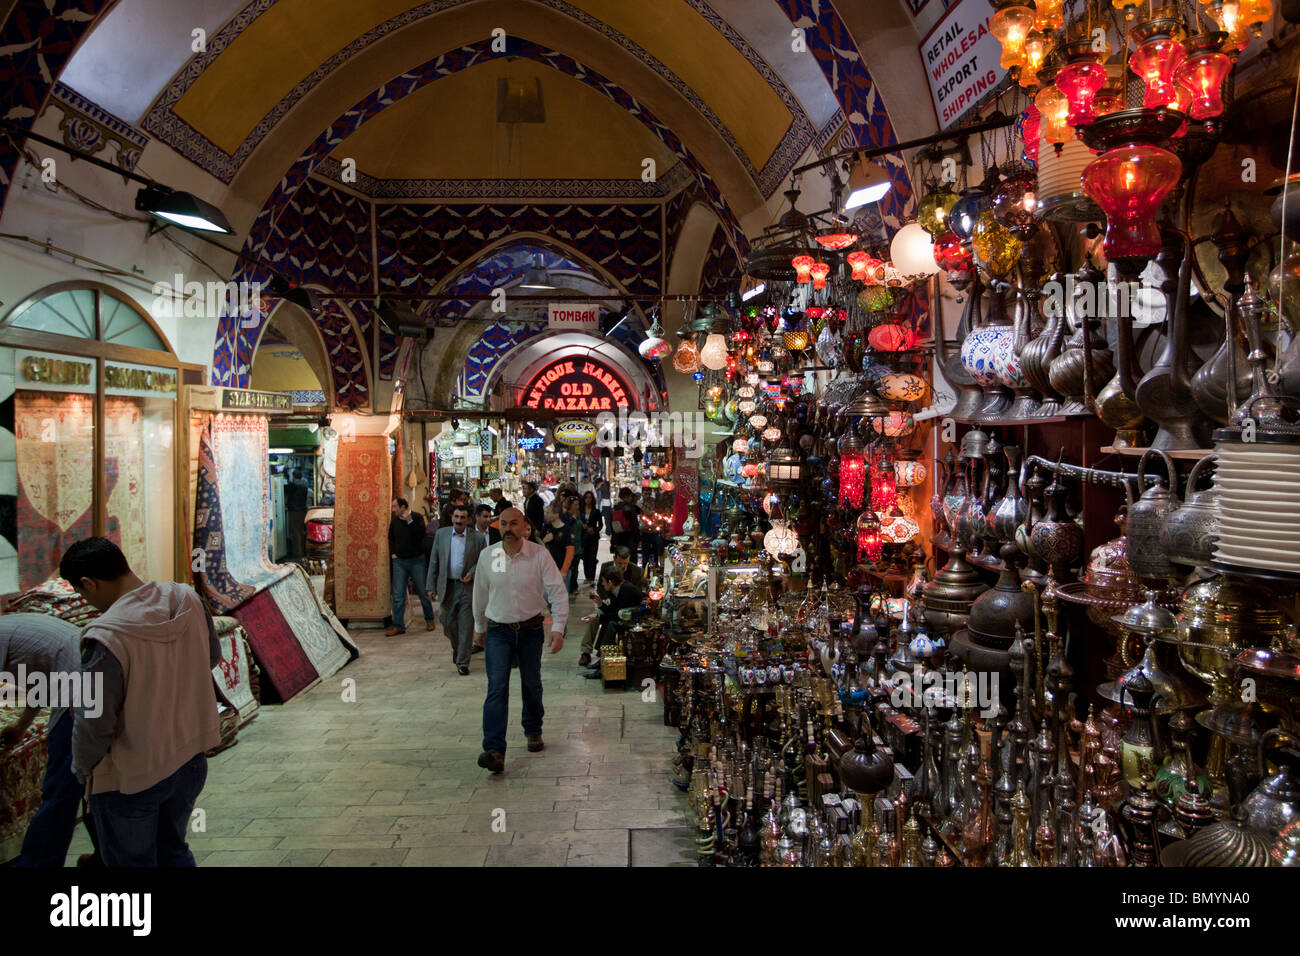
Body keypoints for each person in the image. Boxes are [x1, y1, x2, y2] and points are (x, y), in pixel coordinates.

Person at [60, 537, 221, 867]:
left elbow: (95, 720)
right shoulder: (187, 599)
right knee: (174, 850)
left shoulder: (105, 635)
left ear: (89, 583)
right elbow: (211, 658)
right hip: (189, 758)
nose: (86, 601)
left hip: (133, 774)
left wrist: (81, 768)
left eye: (82, 592)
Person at [471, 508, 568, 774]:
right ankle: (494, 750)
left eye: (514, 523)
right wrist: (479, 627)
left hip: (530, 629)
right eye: (503, 524)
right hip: (498, 632)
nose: (508, 529)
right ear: (497, 526)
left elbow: (557, 593)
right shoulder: (487, 557)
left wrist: (558, 628)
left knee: (531, 683)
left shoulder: (539, 556)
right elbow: (480, 594)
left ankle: (533, 729)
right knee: (496, 687)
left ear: (524, 526)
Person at [0, 613, 83, 866]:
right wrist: (21, 725)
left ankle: (38, 863)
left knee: (62, 788)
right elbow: (41, 684)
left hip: (80, 695)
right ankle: (107, 857)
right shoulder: (14, 627)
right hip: (87, 685)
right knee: (89, 785)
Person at [426, 504, 487, 676]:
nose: (459, 521)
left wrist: (473, 573)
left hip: (467, 588)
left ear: (469, 520)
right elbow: (434, 561)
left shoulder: (478, 538)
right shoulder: (441, 535)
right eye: (456, 517)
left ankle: (462, 662)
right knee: (447, 621)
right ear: (452, 517)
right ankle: (458, 647)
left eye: (462, 518)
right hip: (447, 586)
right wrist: (430, 585)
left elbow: (483, 561)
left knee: (466, 626)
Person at [576, 546, 643, 666]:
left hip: (626, 610)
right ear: (614, 558)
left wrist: (598, 615)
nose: (622, 566)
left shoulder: (635, 573)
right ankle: (586, 652)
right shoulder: (606, 567)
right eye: (619, 563)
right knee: (595, 617)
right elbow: (602, 586)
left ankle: (602, 656)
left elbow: (621, 608)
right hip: (611, 603)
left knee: (601, 618)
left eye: (625, 563)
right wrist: (602, 601)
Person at [387, 497, 437, 635]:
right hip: (400, 562)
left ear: (403, 507)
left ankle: (429, 619)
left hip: (416, 561)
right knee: (398, 595)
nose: (393, 510)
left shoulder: (417, 517)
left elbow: (420, 534)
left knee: (423, 592)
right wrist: (393, 553)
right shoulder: (395, 521)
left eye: (395, 507)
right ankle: (398, 625)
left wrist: (409, 521)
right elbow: (391, 538)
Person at [541, 500, 574, 585]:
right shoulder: (546, 528)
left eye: (548, 513)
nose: (546, 515)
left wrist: (564, 571)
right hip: (547, 570)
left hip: (561, 568)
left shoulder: (567, 530)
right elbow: (538, 548)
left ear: (556, 514)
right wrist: (544, 541)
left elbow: (570, 552)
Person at [284, 469, 310, 558]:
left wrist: (285, 477)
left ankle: (297, 553)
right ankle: (304, 551)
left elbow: (284, 489)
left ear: (294, 476)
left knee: (295, 532)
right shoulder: (305, 485)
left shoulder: (293, 485)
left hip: (295, 511)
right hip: (303, 510)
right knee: (302, 531)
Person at [578, 490, 602, 586]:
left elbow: (600, 525)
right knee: (585, 557)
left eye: (590, 498)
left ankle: (591, 577)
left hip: (593, 538)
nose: (588, 500)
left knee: (592, 558)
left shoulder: (596, 511)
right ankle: (587, 576)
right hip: (583, 537)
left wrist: (594, 529)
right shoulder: (580, 511)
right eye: (586, 497)